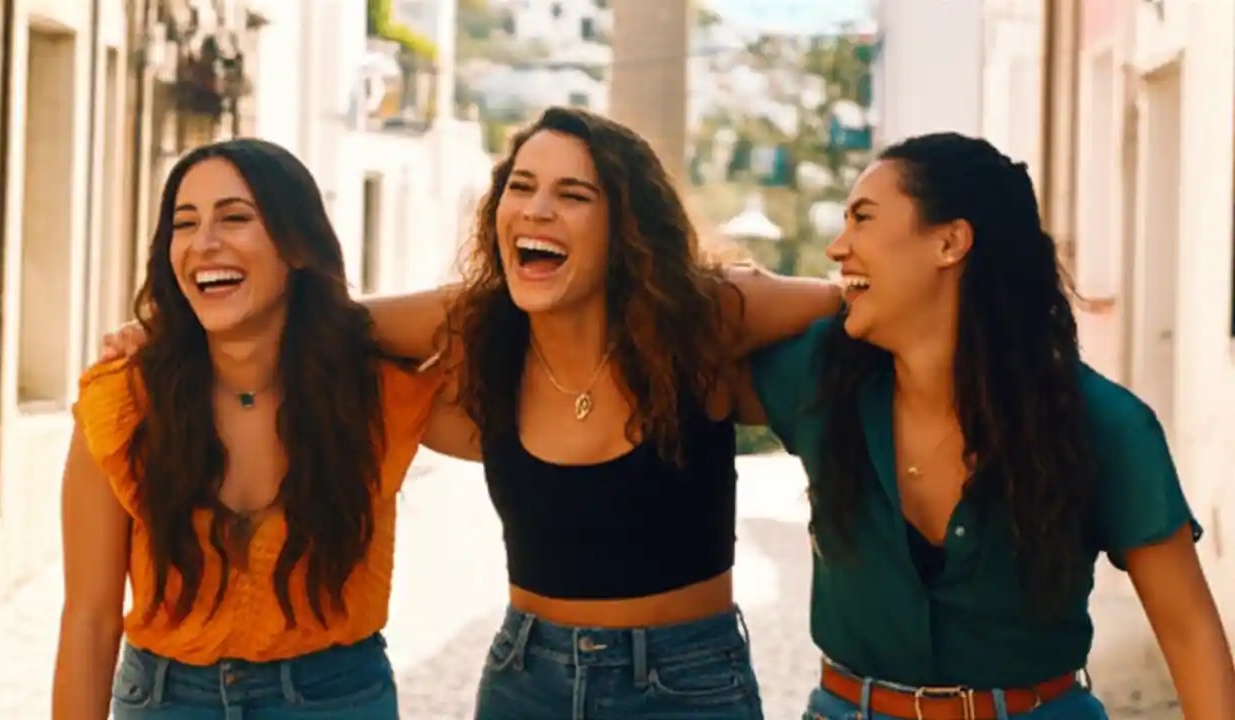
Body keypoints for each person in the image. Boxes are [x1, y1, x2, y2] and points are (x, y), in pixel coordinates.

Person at [100, 106, 842, 718]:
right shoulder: (486, 330)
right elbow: (326, 319)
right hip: (529, 678)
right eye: (520, 187)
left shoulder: (704, 317)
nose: (536, 210)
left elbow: (860, 303)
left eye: (573, 195)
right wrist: (177, 328)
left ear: (626, 230)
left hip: (686, 683)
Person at [746, 132, 1235, 719]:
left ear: (949, 242)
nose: (837, 246)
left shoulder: (1100, 423)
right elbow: (690, 328)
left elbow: (1188, 634)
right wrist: (838, 295)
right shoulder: (821, 378)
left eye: (863, 220)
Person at [53, 138, 445, 719]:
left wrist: (331, 322)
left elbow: (489, 316)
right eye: (185, 225)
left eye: (235, 217)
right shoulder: (123, 399)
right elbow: (89, 617)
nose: (205, 243)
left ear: (296, 245)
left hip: (334, 701)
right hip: (166, 703)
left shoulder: (369, 392)